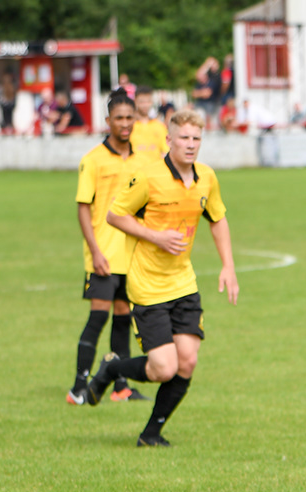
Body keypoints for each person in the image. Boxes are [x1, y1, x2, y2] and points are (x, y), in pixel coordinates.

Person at [85, 109, 239, 447]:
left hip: (183, 283)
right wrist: (155, 236)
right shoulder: (148, 177)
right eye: (184, 138)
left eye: (196, 138)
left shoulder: (207, 178)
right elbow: (114, 215)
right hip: (148, 286)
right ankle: (114, 370)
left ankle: (150, 434)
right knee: (163, 368)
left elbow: (218, 219)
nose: (190, 145)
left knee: (188, 361)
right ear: (168, 140)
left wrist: (228, 265)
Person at [67, 91, 149, 406]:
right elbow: (83, 208)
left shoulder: (143, 160)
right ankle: (78, 387)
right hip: (103, 254)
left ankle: (120, 387)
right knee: (98, 317)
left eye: (130, 118)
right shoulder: (93, 160)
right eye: (119, 118)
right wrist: (95, 251)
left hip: (132, 256)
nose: (125, 124)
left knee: (123, 317)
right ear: (108, 121)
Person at [130, 87, 169, 161]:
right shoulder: (129, 126)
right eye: (141, 102)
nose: (145, 105)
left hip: (154, 169)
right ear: (135, 102)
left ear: (152, 102)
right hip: (134, 170)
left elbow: (165, 151)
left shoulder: (159, 126)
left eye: (148, 101)